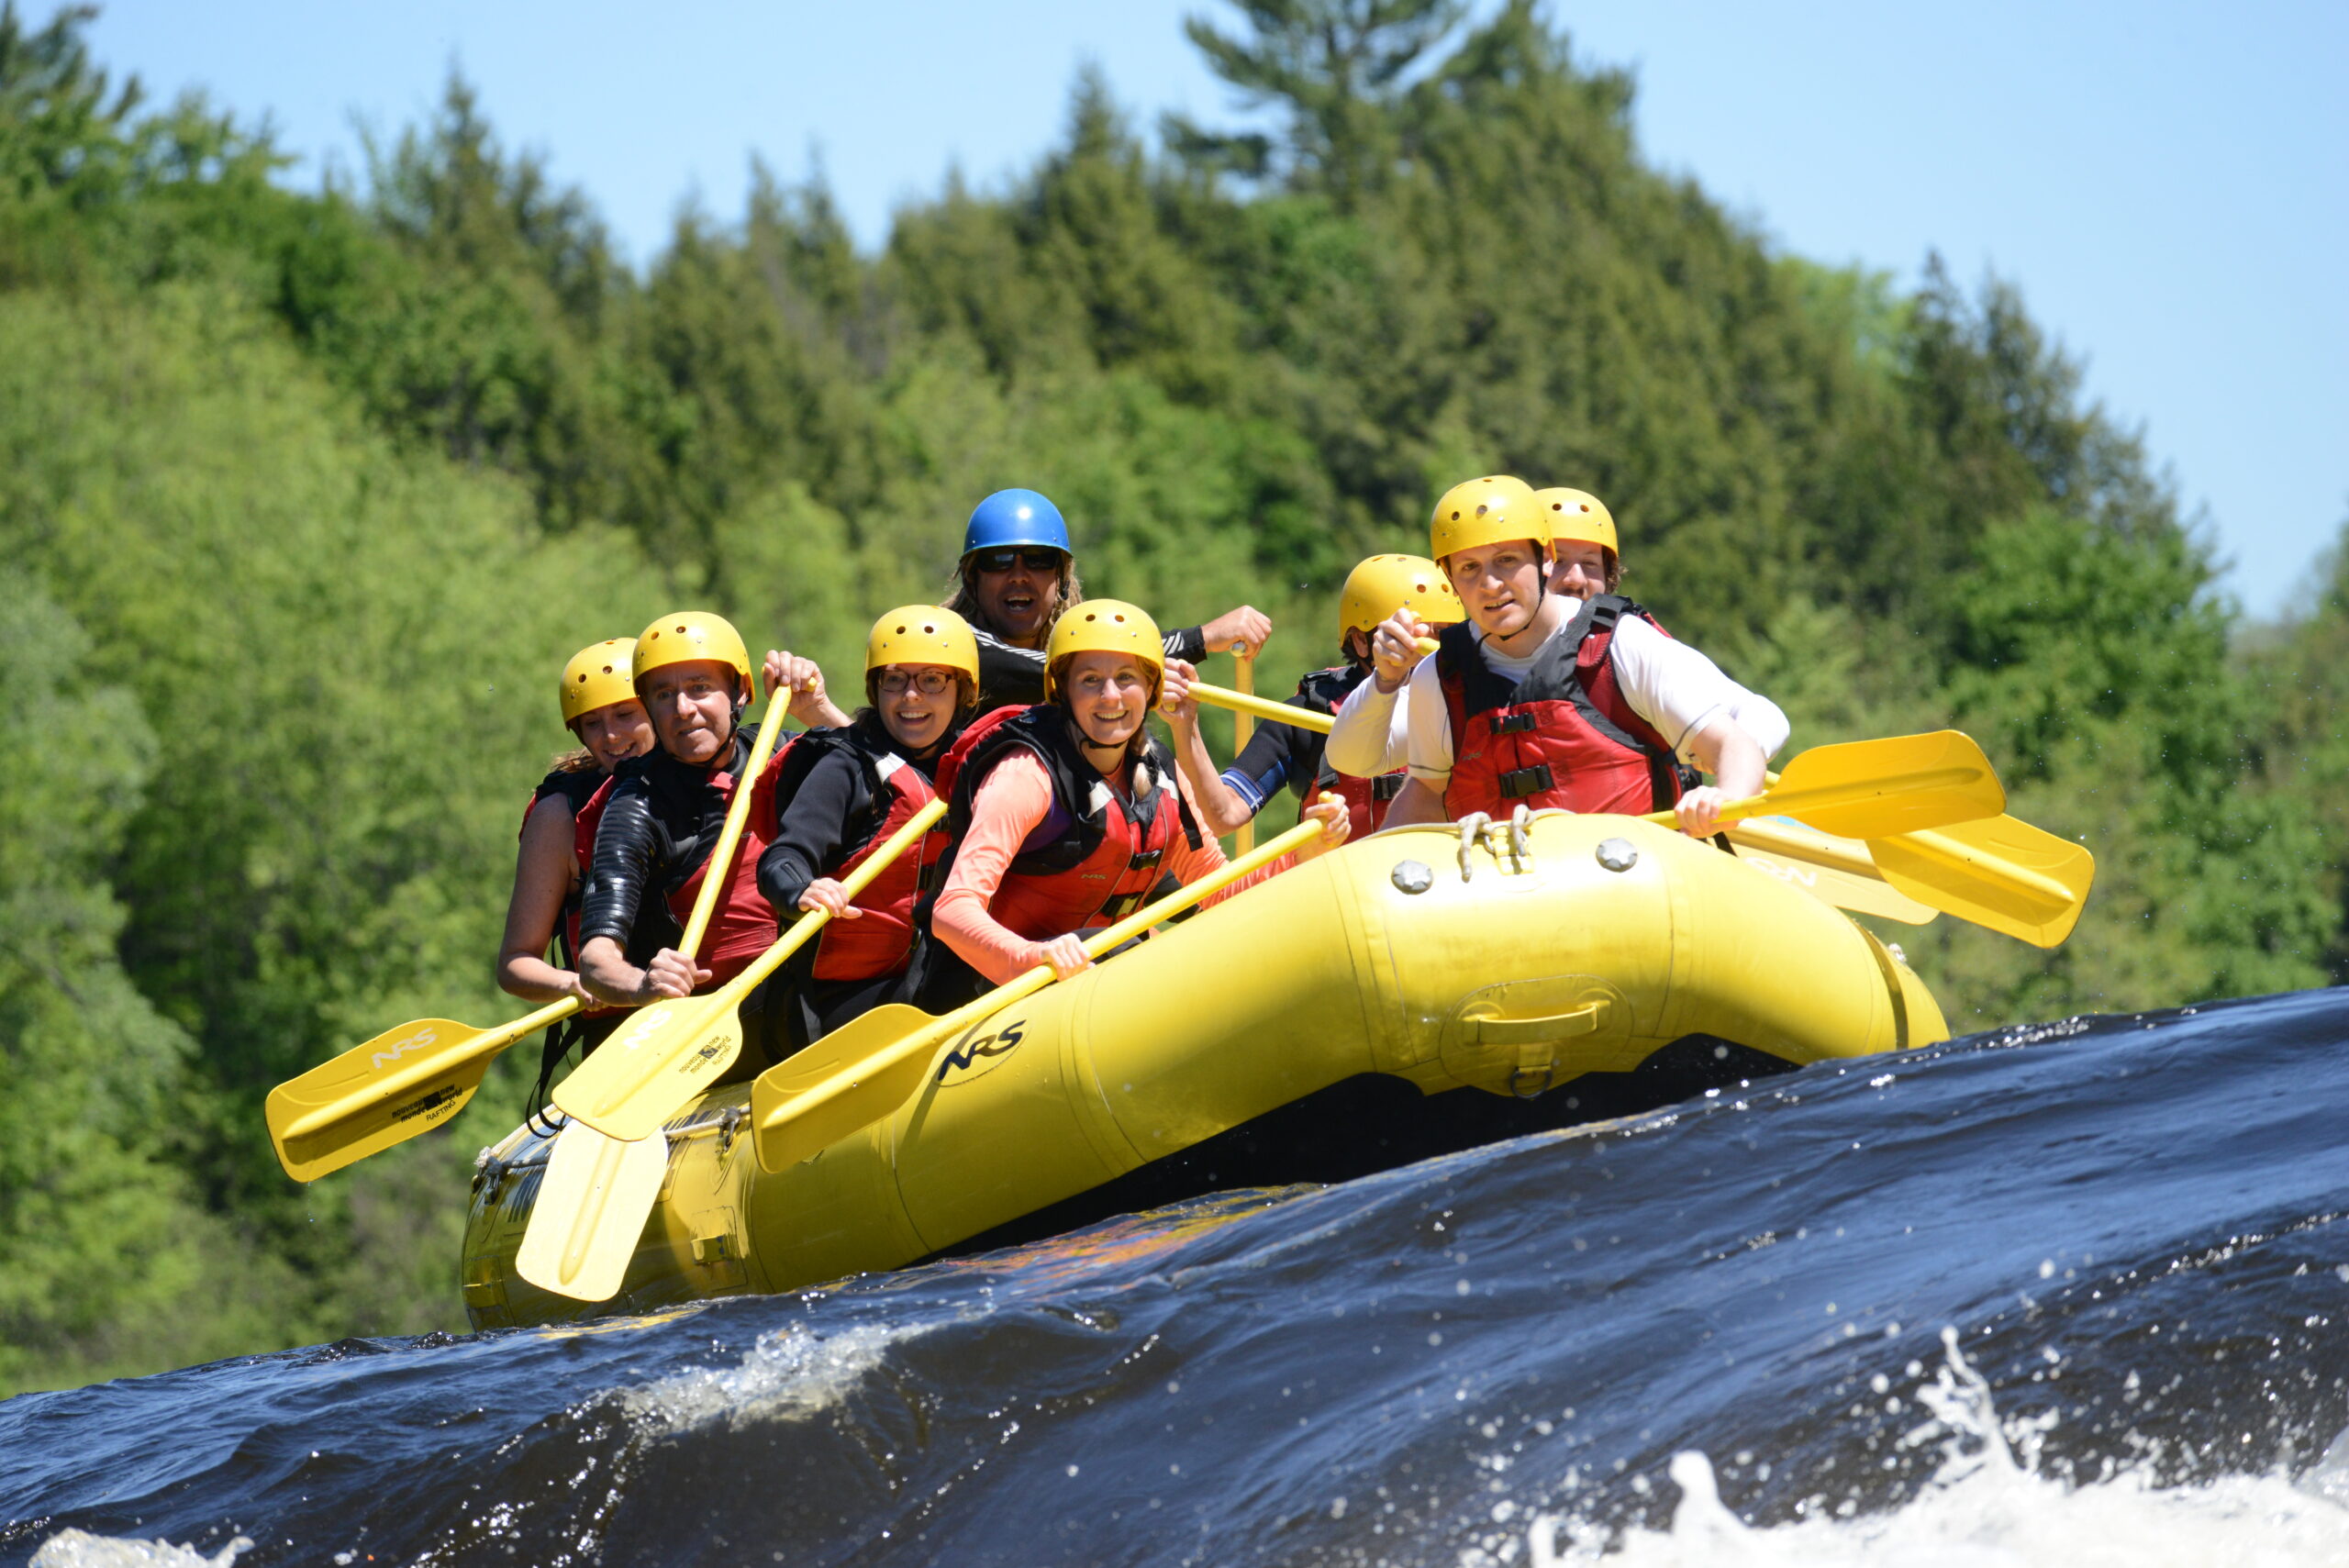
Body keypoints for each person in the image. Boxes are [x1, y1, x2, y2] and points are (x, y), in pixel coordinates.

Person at [920, 599, 1350, 1006]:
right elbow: (952, 910)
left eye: (1127, 677)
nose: (1111, 696)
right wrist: (1032, 957)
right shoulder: (1025, 776)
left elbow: (1219, 891)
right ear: (1062, 691)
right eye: (1090, 680)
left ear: (1151, 689)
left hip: (1100, 980)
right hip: (1005, 991)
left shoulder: (1161, 777)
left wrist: (1301, 854)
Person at [1331, 476, 1783, 836]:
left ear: (1544, 557)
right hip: (1501, 899)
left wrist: (1726, 799)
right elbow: (1426, 792)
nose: (1490, 585)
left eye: (1507, 560)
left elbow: (1733, 743)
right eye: (1470, 568)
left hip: (1633, 885)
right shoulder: (1439, 674)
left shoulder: (1624, 643)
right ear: (1449, 578)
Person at [574, 613, 845, 1075]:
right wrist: (644, 985)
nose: (682, 709)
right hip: (723, 1023)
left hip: (818, 987)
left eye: (700, 687)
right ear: (650, 709)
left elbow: (897, 779)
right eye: (664, 695)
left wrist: (817, 708)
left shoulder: (783, 749)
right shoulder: (636, 803)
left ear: (739, 693)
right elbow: (596, 963)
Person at [754, 606, 981, 1051]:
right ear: (876, 690)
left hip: (926, 977)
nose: (911, 697)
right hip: (835, 1005)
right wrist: (802, 889)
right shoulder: (846, 766)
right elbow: (782, 858)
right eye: (894, 680)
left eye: (932, 679)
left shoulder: (978, 767)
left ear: (964, 692)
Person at [1158, 554, 1463, 837]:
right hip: (1342, 886)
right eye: (1423, 635)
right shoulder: (1309, 715)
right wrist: (1186, 727)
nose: (1437, 650)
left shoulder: (1473, 700)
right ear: (1361, 642)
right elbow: (1223, 815)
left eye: (1448, 635)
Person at [944, 487, 1275, 709]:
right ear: (973, 579)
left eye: (1037, 558)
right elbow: (1062, 670)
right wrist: (1201, 639)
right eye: (999, 560)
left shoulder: (1081, 670)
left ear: (1061, 577)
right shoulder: (948, 643)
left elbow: (1090, 666)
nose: (1018, 575)